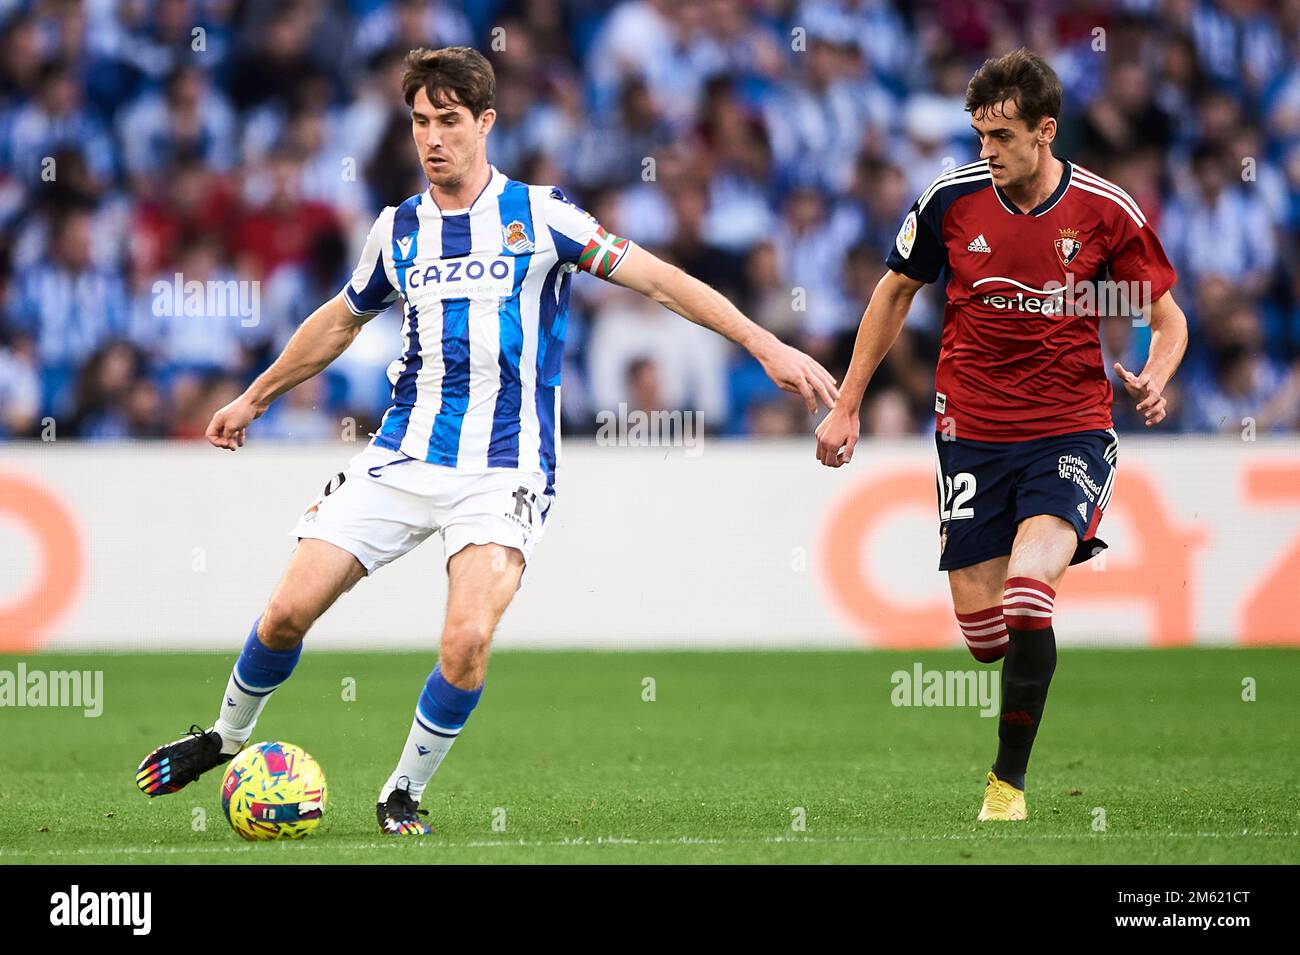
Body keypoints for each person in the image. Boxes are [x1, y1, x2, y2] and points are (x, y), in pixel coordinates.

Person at [135, 46, 837, 835]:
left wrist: (765, 344)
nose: (432, 138)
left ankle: (400, 791)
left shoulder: (541, 217)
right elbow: (341, 317)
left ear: (486, 123)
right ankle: (224, 737)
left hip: (504, 471)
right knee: (286, 612)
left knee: (466, 638)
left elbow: (660, 279)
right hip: (402, 454)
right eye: (419, 122)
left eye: (449, 121)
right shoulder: (396, 229)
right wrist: (255, 395)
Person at [814, 49, 1187, 822]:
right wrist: (847, 402)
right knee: (986, 635)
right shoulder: (952, 201)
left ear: (1045, 132)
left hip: (1070, 430)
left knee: (1026, 594)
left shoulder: (1103, 209)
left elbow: (1167, 316)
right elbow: (892, 296)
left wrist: (1157, 371)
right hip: (972, 431)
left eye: (1002, 138)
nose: (986, 152)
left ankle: (1005, 786)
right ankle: (1022, 607)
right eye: (979, 135)